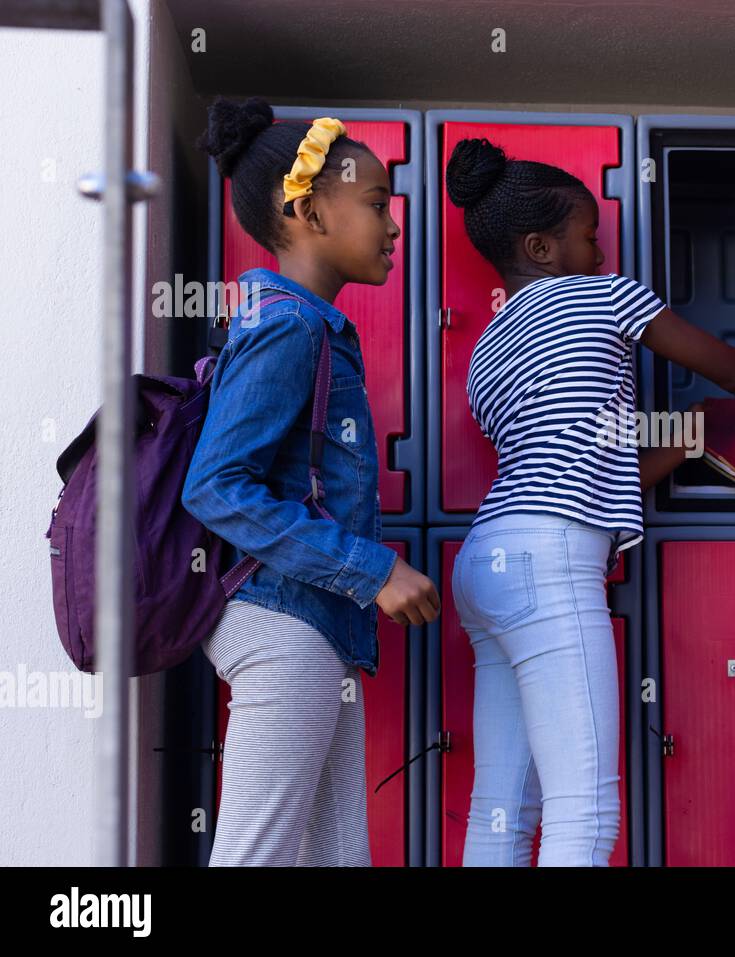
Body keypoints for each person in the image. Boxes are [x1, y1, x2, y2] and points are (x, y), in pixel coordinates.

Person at [444, 136, 735, 866]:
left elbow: (575, 461)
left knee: (502, 804)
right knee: (584, 809)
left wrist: (689, 441)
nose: (600, 253)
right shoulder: (607, 294)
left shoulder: (485, 352)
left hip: (487, 562)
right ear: (540, 246)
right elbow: (734, 365)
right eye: (588, 238)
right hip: (552, 564)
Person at [183, 96, 441, 866]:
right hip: (282, 629)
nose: (394, 225)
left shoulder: (309, 324)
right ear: (306, 211)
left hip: (318, 630)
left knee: (333, 858)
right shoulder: (288, 325)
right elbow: (217, 483)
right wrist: (376, 567)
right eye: (374, 203)